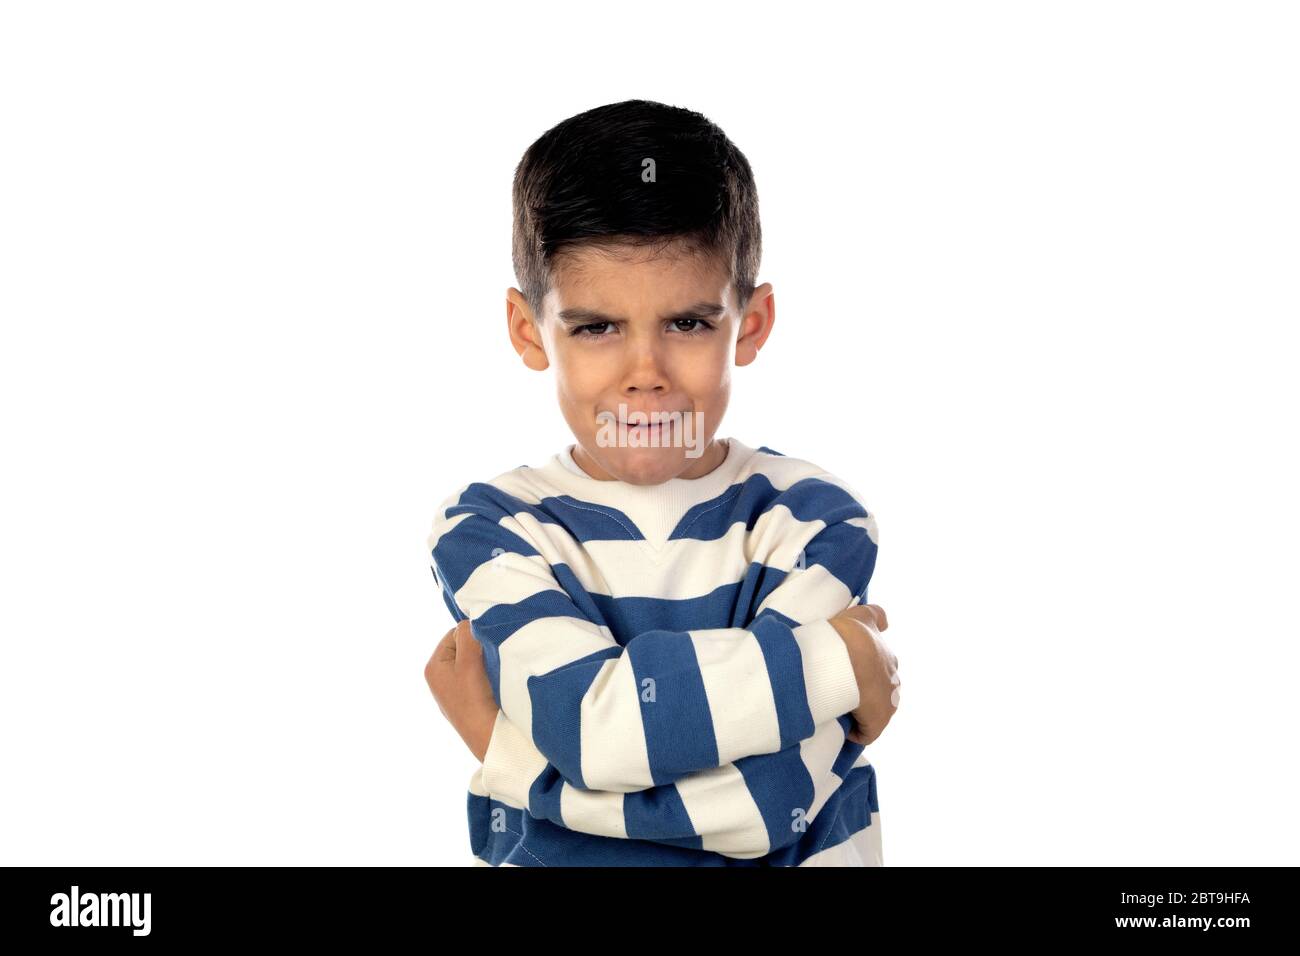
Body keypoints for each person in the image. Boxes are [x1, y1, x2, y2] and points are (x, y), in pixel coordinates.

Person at [424, 99, 901, 866]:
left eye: (687, 324)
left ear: (749, 324)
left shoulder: (814, 521)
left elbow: (762, 805)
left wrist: (510, 757)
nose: (644, 378)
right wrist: (839, 665)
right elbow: (598, 730)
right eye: (596, 327)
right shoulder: (489, 530)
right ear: (528, 331)